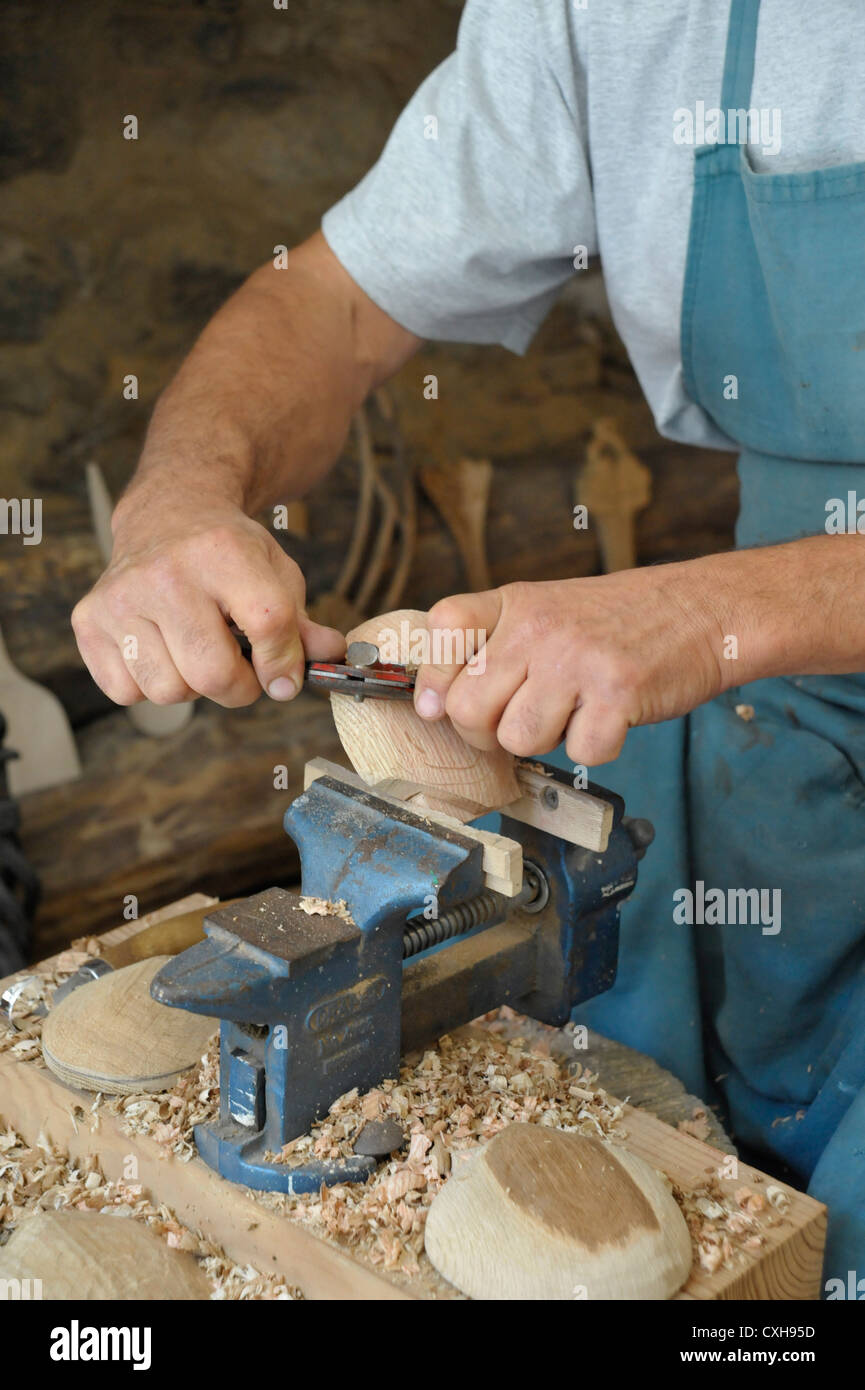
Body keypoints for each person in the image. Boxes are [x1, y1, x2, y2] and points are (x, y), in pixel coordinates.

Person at [73, 0, 865, 1284]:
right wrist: (177, 497)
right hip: (771, 704)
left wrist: (717, 611)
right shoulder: (592, 17)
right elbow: (327, 305)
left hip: (747, 634)